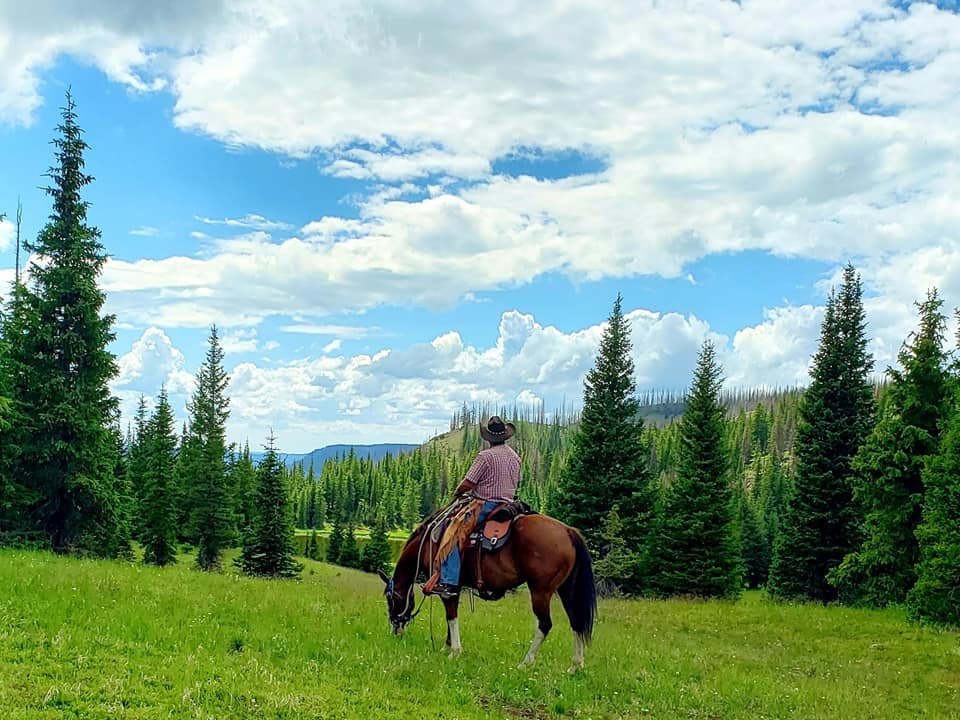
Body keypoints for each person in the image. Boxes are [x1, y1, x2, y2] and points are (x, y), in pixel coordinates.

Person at [429, 416, 521, 599]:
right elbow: (517, 482)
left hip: (485, 505)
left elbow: (469, 482)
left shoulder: (485, 457)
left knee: (452, 533)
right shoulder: (515, 457)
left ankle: (449, 582)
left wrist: (457, 492)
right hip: (510, 505)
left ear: (488, 437)